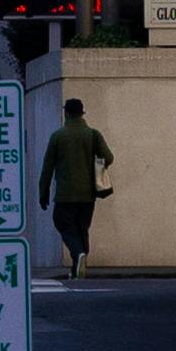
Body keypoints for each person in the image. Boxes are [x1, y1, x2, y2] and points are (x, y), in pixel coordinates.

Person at [40, 92, 116, 276]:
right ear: (83, 113)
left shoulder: (58, 136)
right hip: (87, 193)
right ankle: (78, 266)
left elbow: (47, 168)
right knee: (82, 228)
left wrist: (43, 194)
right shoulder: (93, 134)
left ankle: (78, 254)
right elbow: (109, 157)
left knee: (63, 224)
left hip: (65, 194)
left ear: (66, 114)